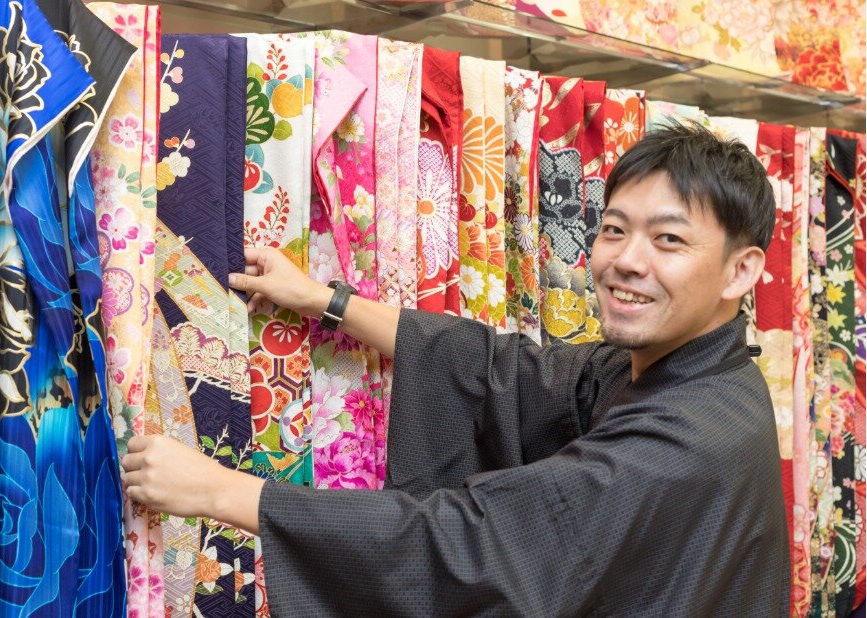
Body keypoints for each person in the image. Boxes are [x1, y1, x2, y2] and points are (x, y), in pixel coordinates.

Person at [121, 123, 790, 616]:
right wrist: (325, 300)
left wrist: (217, 491)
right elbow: (501, 370)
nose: (626, 261)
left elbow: (473, 541)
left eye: (668, 239)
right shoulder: (684, 371)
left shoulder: (689, 440)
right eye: (614, 229)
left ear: (741, 271)